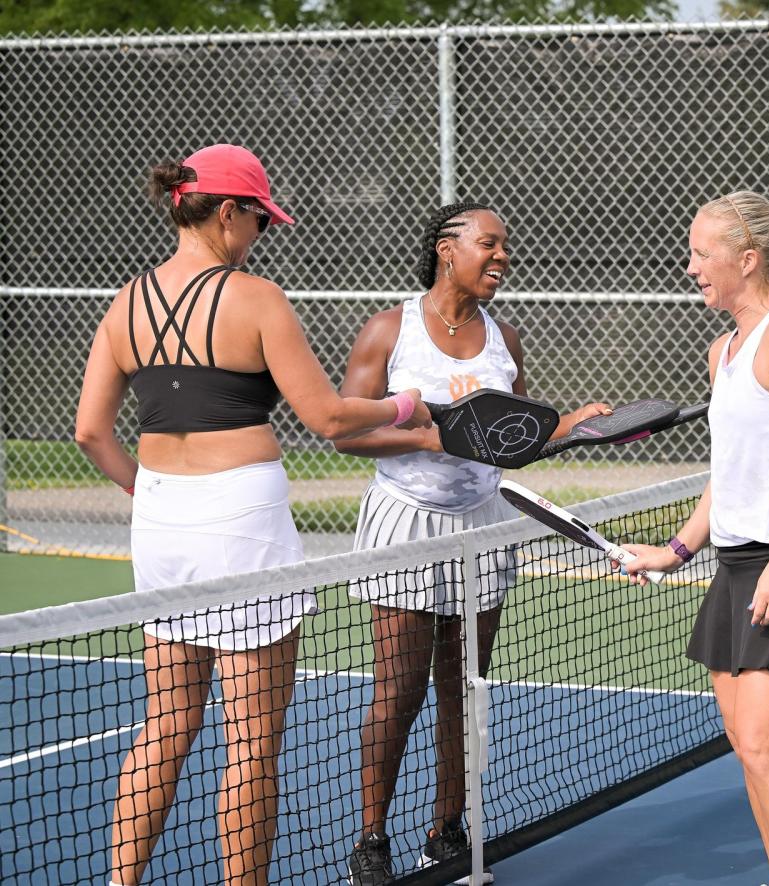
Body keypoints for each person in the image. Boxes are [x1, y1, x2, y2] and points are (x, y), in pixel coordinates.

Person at [73, 143, 431, 886]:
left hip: (163, 521)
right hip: (241, 515)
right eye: (260, 220)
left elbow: (90, 433)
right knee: (251, 742)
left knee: (165, 725)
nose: (261, 235)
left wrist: (152, 495)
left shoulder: (125, 301)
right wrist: (406, 403)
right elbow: (330, 419)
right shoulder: (256, 297)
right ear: (229, 213)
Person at [334, 202, 609, 886]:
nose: (502, 256)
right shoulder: (388, 331)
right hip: (405, 518)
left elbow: (514, 442)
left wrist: (573, 425)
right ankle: (372, 839)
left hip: (483, 523)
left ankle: (447, 828)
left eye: (504, 246)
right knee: (398, 689)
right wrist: (433, 435)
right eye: (489, 244)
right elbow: (343, 431)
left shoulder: (503, 339)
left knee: (466, 686)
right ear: (445, 250)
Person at [623, 191, 769, 886]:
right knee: (747, 748)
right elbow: (727, 474)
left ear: (746, 260)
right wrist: (678, 549)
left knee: (765, 745)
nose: (690, 265)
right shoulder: (722, 348)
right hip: (735, 569)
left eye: (701, 253)